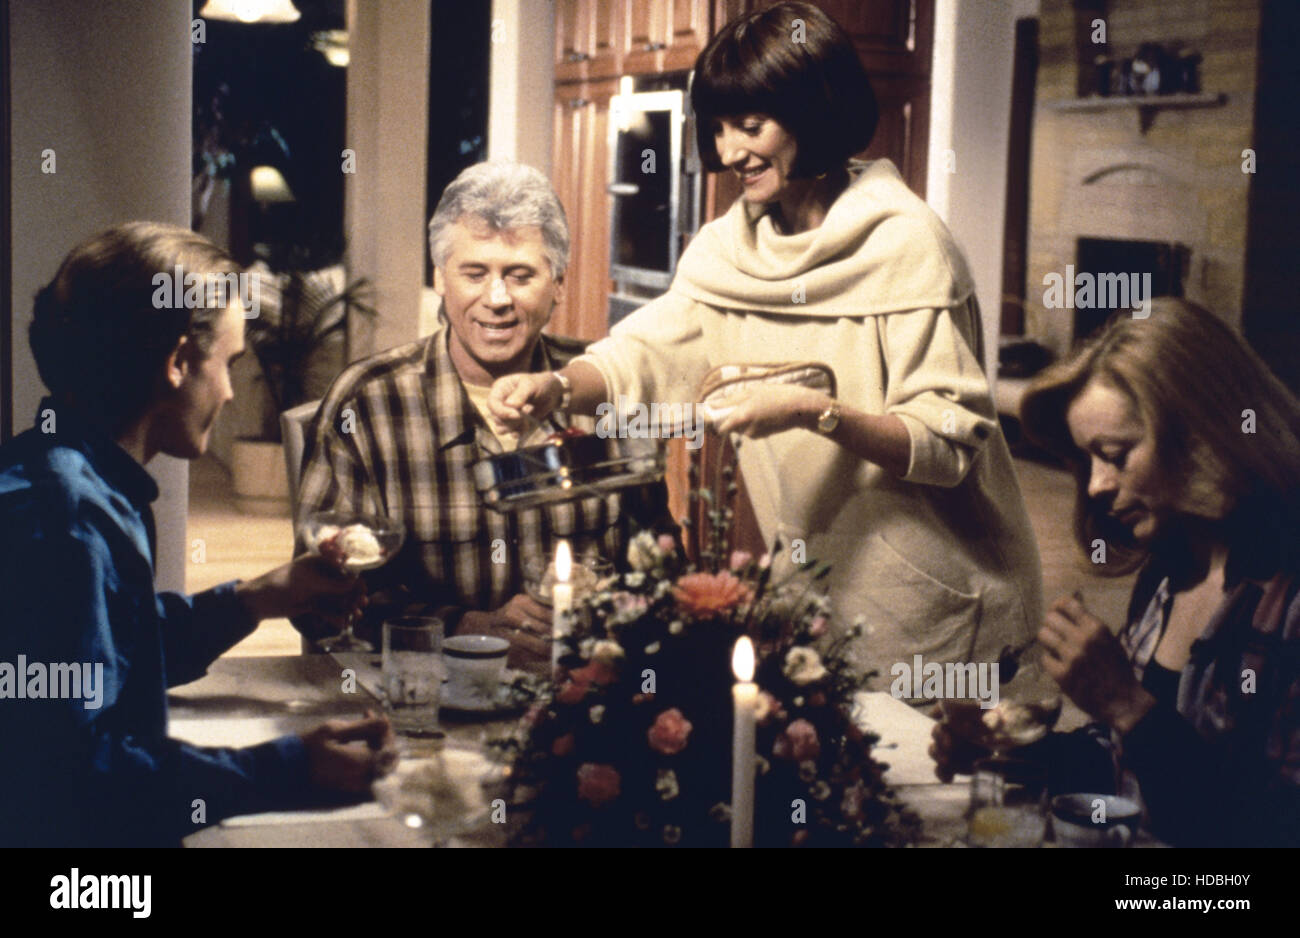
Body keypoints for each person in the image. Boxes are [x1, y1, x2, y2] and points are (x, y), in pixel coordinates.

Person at [490, 2, 1041, 687]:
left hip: (933, 602)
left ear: (816, 111)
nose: (727, 152)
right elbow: (652, 346)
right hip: (814, 585)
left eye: (751, 126)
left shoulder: (909, 244)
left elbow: (949, 443)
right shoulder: (733, 243)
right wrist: (562, 386)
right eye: (718, 128)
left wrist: (813, 412)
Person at [0, 222, 396, 847]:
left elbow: (113, 652)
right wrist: (290, 765)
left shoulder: (70, 475)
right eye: (228, 363)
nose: (233, 390)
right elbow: (77, 778)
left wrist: (260, 597)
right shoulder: (67, 521)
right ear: (179, 362)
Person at [935, 299, 1300, 847]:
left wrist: (1128, 703)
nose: (1096, 486)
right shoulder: (1172, 571)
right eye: (1086, 462)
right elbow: (1124, 774)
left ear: (1201, 430)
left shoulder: (1287, 598)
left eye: (1115, 454)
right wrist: (1005, 749)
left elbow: (1268, 826)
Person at [295, 161, 673, 667]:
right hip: (421, 699)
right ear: (440, 279)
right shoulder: (365, 406)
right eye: (475, 273)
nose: (496, 299)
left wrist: (605, 618)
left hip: (585, 699)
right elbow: (316, 599)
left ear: (559, 284)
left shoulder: (605, 388)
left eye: (520, 276)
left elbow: (666, 571)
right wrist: (460, 628)